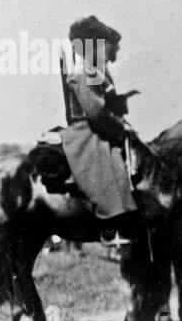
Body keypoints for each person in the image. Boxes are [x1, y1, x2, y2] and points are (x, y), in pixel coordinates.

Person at [59, 15, 139, 232]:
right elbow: (95, 111)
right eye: (109, 50)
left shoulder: (98, 73)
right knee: (110, 158)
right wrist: (119, 127)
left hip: (101, 126)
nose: (112, 57)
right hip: (86, 132)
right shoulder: (80, 73)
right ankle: (115, 222)